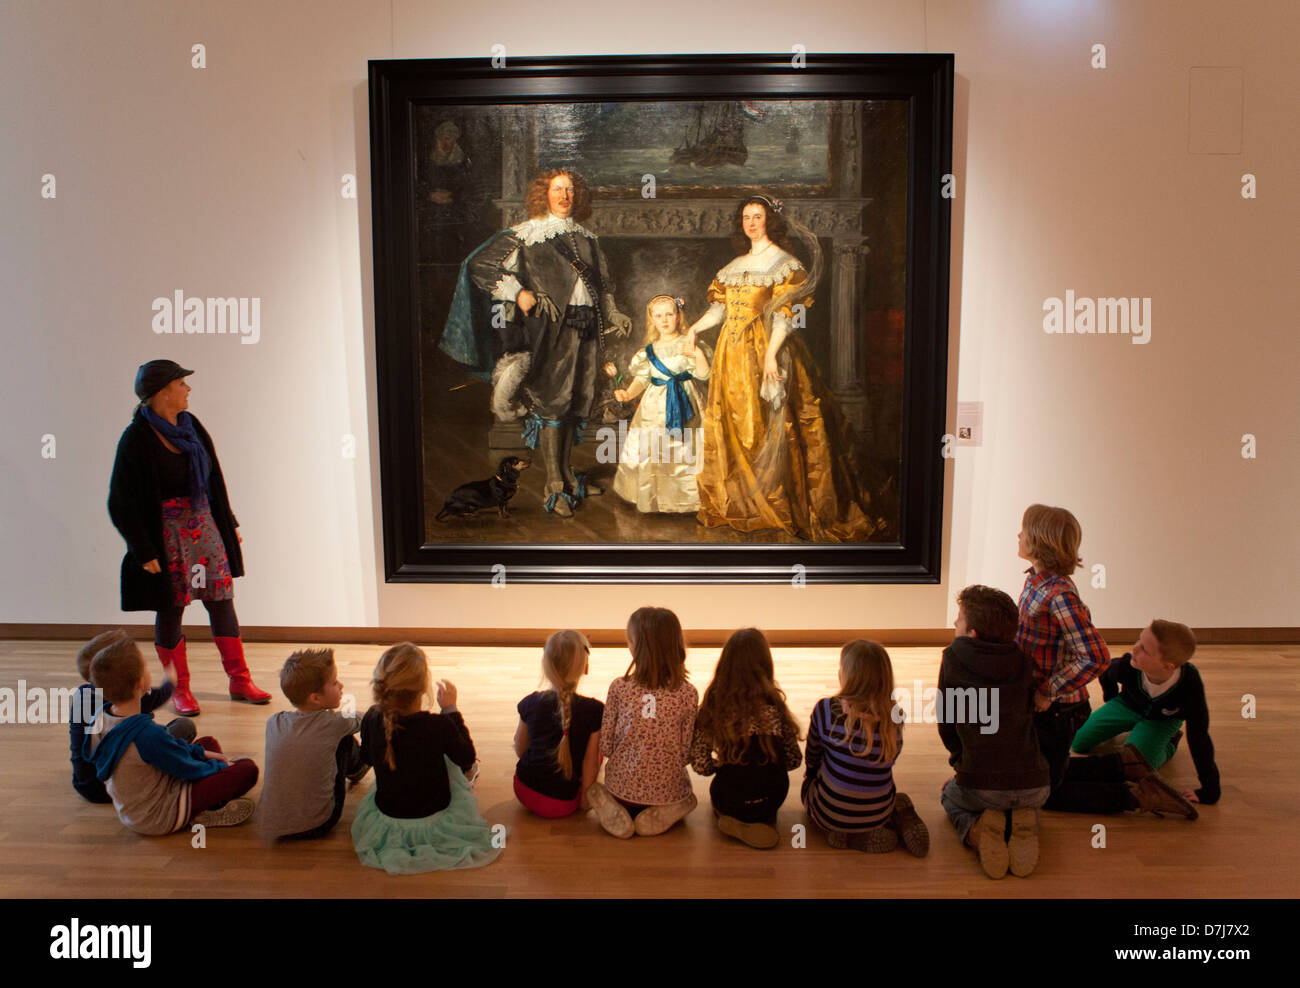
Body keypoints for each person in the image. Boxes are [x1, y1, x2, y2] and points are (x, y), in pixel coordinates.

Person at [683, 194, 880, 541]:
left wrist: (771, 355)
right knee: (733, 423)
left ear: (770, 221)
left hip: (767, 349)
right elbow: (720, 311)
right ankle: (743, 502)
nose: (751, 222)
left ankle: (777, 502)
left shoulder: (785, 264)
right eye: (746, 217)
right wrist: (695, 329)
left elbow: (786, 318)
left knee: (772, 423)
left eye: (757, 216)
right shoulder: (734, 266)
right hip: (732, 355)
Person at [460, 168, 631, 516]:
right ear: (545, 195)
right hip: (551, 329)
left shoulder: (587, 238)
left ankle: (568, 474)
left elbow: (604, 284)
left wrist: (612, 312)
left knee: (577, 400)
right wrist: (519, 291)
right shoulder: (527, 233)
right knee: (554, 401)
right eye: (557, 190)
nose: (565, 196)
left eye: (570, 190)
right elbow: (480, 266)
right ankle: (554, 483)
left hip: (587, 327)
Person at [107, 360, 271, 716]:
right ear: (163, 391)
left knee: (221, 599)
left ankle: (239, 679)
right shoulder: (136, 438)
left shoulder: (191, 425)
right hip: (165, 535)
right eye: (182, 383)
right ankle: (178, 689)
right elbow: (120, 501)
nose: (188, 389)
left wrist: (228, 523)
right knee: (172, 608)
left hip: (204, 525)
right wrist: (142, 549)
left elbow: (214, 479)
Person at [84, 637, 259, 833]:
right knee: (247, 769)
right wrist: (220, 767)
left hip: (134, 809)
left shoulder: (100, 719)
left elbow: (170, 751)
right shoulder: (145, 735)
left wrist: (203, 755)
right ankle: (203, 813)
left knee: (207, 744)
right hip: (160, 815)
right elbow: (187, 768)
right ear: (140, 683)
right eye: (147, 668)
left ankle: (212, 799)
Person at [351, 643, 500, 874]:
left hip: (388, 820)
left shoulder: (371, 718)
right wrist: (451, 709)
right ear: (423, 689)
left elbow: (366, 757)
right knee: (450, 759)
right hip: (436, 819)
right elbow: (467, 758)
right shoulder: (438, 725)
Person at [937, 586, 1051, 879]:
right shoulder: (1022, 658)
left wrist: (959, 763)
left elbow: (947, 721)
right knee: (1020, 800)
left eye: (959, 620)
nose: (954, 624)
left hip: (981, 785)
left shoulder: (953, 657)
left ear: (972, 633)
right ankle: (1025, 822)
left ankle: (975, 830)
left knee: (948, 795)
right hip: (1035, 785)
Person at [1050, 620, 1214, 820]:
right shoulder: (1127, 666)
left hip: (1161, 720)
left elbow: (1200, 736)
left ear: (1167, 666)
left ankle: (1169, 743)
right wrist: (1110, 703)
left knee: (1143, 761)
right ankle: (1134, 730)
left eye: (1144, 649)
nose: (1135, 648)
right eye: (1139, 640)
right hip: (1127, 705)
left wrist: (1209, 790)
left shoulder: (1190, 686)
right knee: (1079, 741)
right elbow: (1106, 674)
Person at [1015, 503, 1110, 808]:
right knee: (1039, 772)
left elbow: (1095, 656)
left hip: (1059, 712)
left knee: (1046, 794)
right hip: (1042, 706)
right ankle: (1123, 767)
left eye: (1024, 531)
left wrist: (1048, 691)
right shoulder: (1035, 581)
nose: (1018, 535)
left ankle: (1133, 796)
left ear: (1040, 542)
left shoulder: (1059, 595)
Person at [803, 640, 928, 855]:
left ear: (845, 676)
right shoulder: (894, 718)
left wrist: (815, 774)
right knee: (893, 791)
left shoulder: (826, 710)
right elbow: (889, 761)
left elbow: (812, 755)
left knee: (810, 783)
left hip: (827, 814)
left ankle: (846, 835)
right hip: (878, 812)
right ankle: (900, 816)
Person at [587, 607, 698, 838]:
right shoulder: (688, 693)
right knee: (687, 795)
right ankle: (670, 809)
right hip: (669, 792)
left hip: (621, 790)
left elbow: (606, 746)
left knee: (606, 787)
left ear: (635, 646)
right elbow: (686, 752)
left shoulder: (619, 688)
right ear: (677, 645)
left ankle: (617, 807)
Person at [689, 628, 802, 849]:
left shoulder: (714, 708)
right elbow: (794, 760)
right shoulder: (775, 708)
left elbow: (701, 766)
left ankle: (733, 818)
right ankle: (761, 817)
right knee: (763, 794)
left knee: (729, 787)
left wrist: (721, 764)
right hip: (773, 798)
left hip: (729, 800)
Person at [612, 294, 711, 512]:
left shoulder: (689, 343)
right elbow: (642, 379)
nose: (665, 320)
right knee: (655, 447)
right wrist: (628, 393)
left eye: (669, 314)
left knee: (687, 447)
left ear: (678, 316)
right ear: (652, 320)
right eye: (659, 316)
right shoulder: (647, 352)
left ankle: (687, 498)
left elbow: (704, 375)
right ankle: (655, 498)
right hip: (654, 407)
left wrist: (699, 355)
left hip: (686, 401)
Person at [71, 629, 195, 803]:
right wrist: (170, 680)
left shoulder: (81, 695)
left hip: (85, 784)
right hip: (116, 787)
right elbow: (160, 696)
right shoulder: (125, 697)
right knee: (184, 727)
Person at [257, 649, 369, 842]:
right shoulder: (333, 723)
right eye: (334, 682)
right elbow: (360, 719)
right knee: (344, 740)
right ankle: (358, 769)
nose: (341, 686)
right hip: (319, 824)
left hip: (270, 823)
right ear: (315, 698)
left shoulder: (273, 721)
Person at [513, 630, 604, 818]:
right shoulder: (595, 710)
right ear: (585, 667)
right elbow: (590, 764)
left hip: (524, 791)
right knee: (598, 753)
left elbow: (521, 750)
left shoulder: (530, 702)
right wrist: (586, 802)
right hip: (564, 804)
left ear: (545, 667)